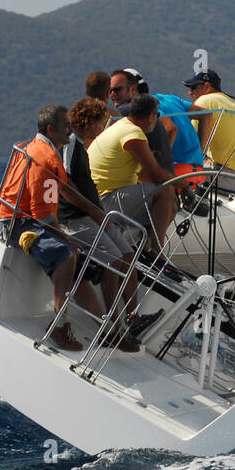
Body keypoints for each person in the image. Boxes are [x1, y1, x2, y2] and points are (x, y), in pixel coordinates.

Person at [0, 105, 108, 352]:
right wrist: (66, 239)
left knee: (71, 253)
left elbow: (66, 189)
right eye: (66, 126)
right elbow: (42, 216)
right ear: (51, 129)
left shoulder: (33, 148)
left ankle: (104, 329)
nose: (71, 129)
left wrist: (95, 213)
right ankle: (58, 326)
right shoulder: (46, 159)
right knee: (66, 256)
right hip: (18, 224)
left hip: (11, 216)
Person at [57, 97, 144, 336]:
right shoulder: (72, 142)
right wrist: (94, 211)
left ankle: (133, 317)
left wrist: (99, 212)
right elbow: (64, 180)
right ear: (92, 122)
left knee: (127, 255)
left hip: (95, 215)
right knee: (114, 261)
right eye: (103, 122)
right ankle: (113, 324)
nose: (103, 128)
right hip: (76, 218)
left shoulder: (81, 145)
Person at [87, 93, 176, 252]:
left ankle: (144, 249)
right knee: (166, 191)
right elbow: (155, 175)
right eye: (158, 115)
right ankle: (157, 253)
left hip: (96, 197)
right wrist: (183, 184)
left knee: (171, 206)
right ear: (150, 117)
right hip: (105, 200)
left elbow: (143, 176)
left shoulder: (122, 125)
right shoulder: (133, 135)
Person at [186, 69, 235, 174]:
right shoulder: (230, 102)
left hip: (231, 174)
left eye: (193, 88)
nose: (189, 93)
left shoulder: (204, 101)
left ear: (207, 86)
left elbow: (192, 142)